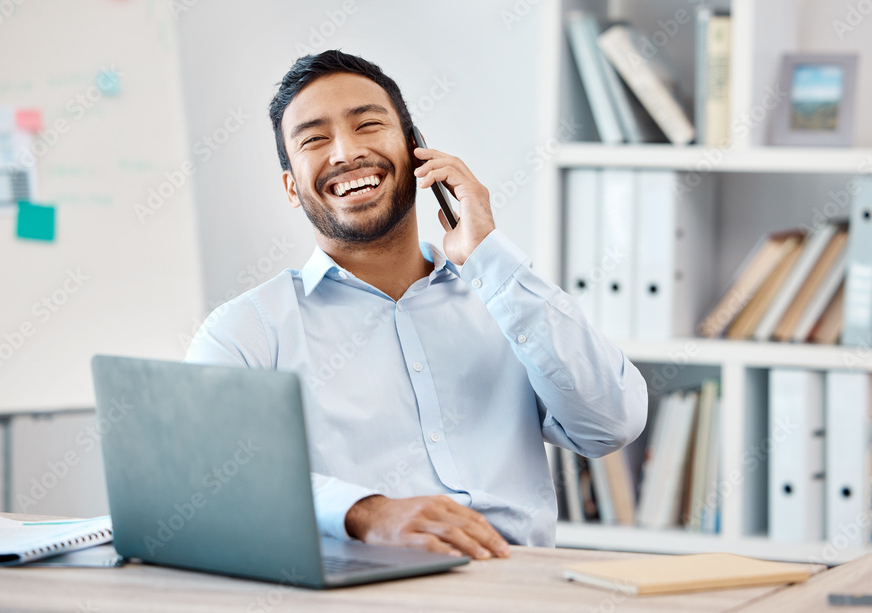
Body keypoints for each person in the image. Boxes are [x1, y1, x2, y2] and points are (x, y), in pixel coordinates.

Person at [185, 50, 647, 560]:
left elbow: (611, 424)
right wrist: (364, 512)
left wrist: (488, 255)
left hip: (519, 586)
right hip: (362, 594)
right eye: (315, 139)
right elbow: (210, 479)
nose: (344, 153)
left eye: (368, 125)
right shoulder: (247, 331)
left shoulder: (505, 299)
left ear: (417, 152)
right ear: (293, 188)